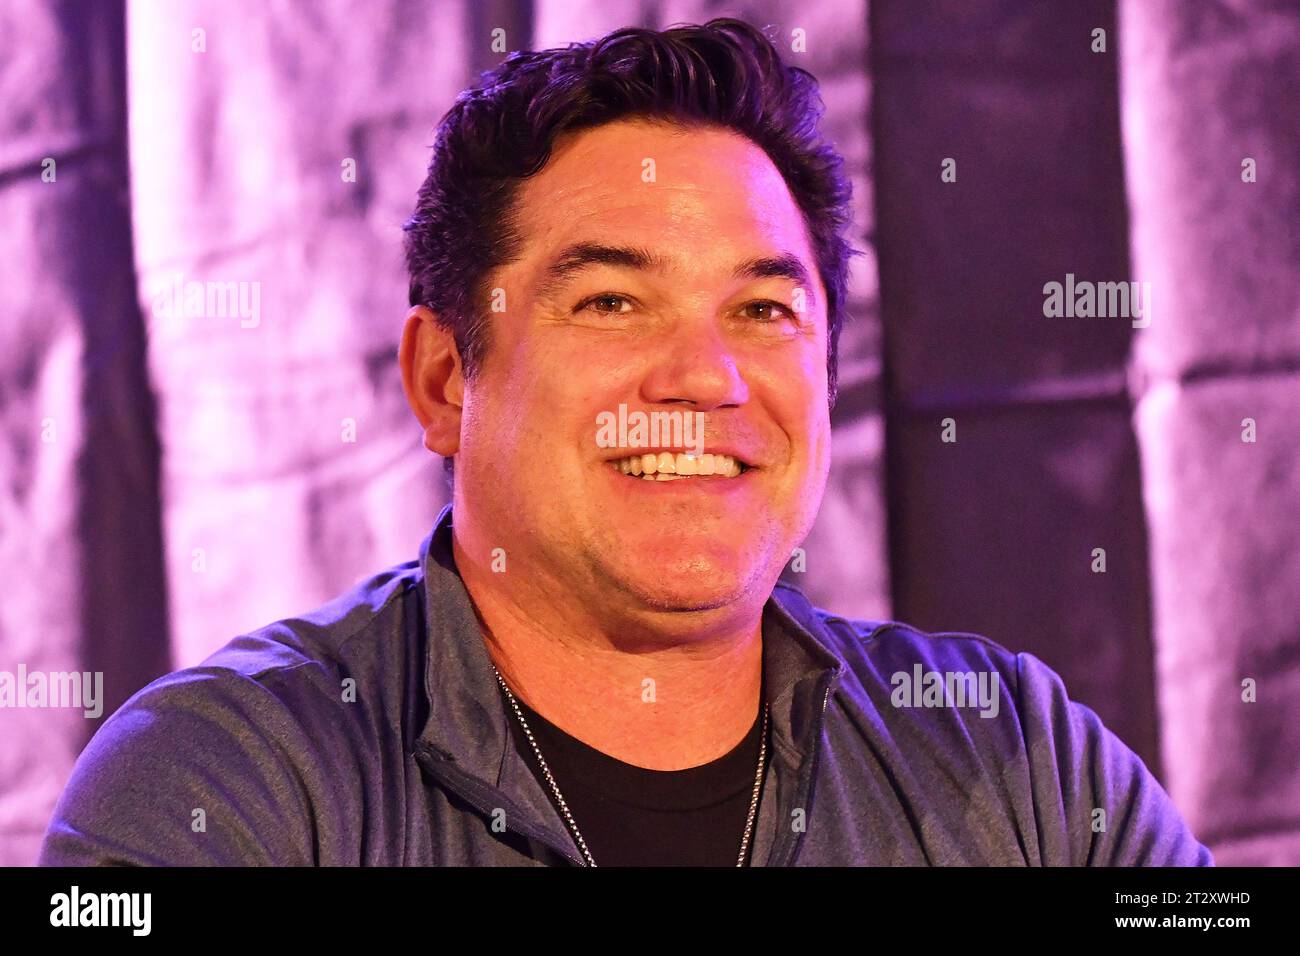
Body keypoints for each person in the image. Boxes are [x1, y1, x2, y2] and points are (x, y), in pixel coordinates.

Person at [39, 17, 1212, 867]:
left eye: (762, 310)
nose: (704, 376)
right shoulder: (223, 788)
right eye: (608, 300)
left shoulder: (1020, 760)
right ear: (445, 377)